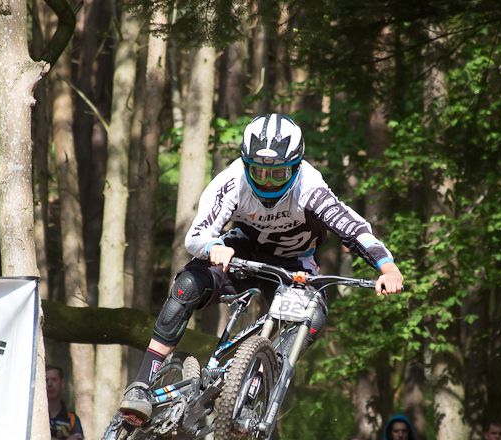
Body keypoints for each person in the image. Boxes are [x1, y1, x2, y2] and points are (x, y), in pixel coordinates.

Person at [118, 113, 404, 424]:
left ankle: (254, 391)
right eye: (259, 171)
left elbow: (352, 227)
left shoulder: (310, 186)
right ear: (245, 163)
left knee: (313, 317)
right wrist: (214, 247)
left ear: (294, 168)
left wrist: (386, 267)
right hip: (240, 252)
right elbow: (196, 235)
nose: (266, 181)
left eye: (277, 174)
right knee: (187, 285)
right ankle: (142, 385)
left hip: (294, 263)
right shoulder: (233, 180)